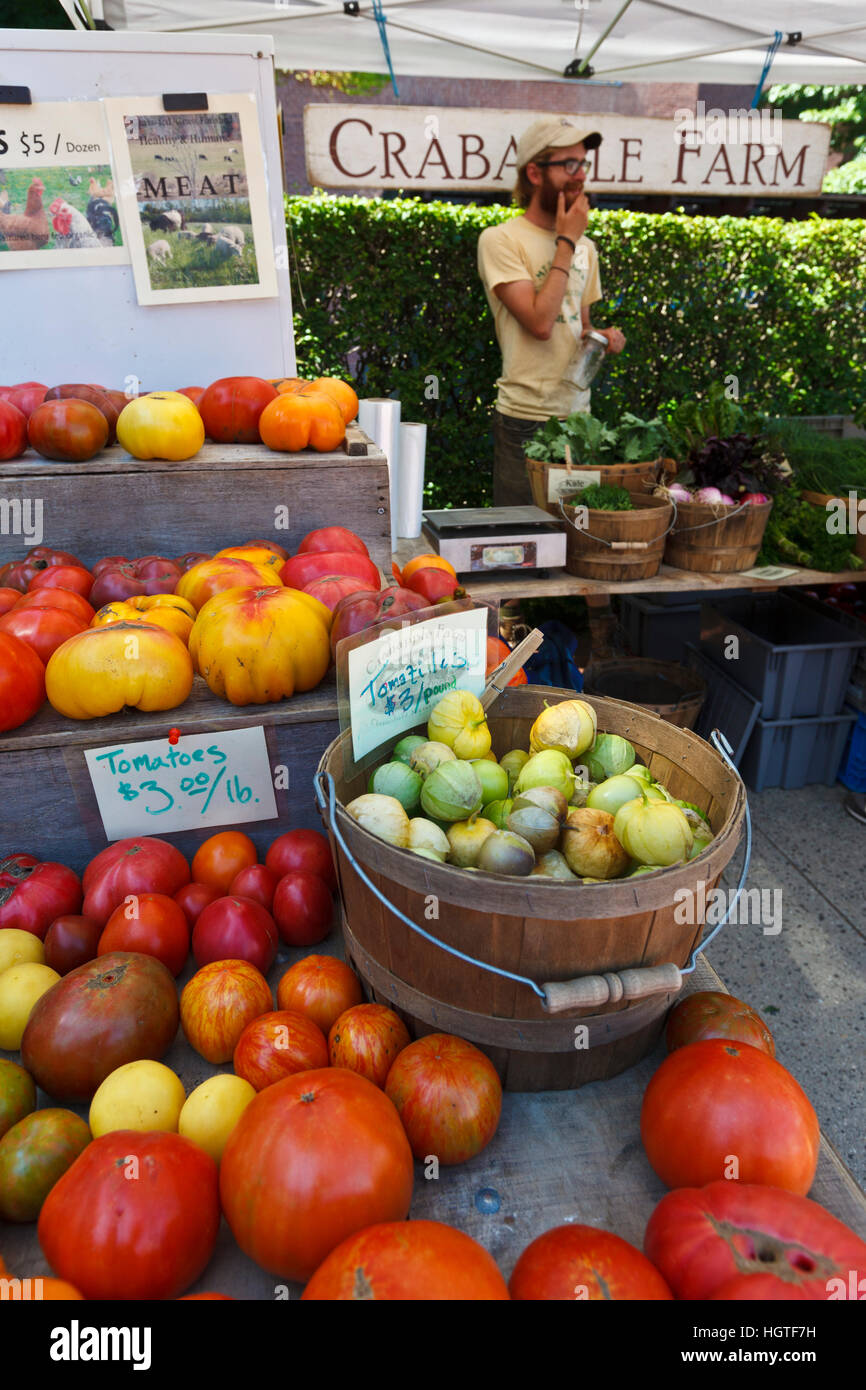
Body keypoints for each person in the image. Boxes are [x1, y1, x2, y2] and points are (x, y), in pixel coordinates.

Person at [477, 116, 626, 507]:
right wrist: (567, 241)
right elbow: (541, 323)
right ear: (534, 172)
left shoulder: (585, 248)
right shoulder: (501, 240)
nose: (580, 176)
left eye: (584, 164)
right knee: (522, 540)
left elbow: (578, 327)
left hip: (579, 421)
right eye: (569, 165)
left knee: (578, 540)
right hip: (524, 420)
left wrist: (602, 340)